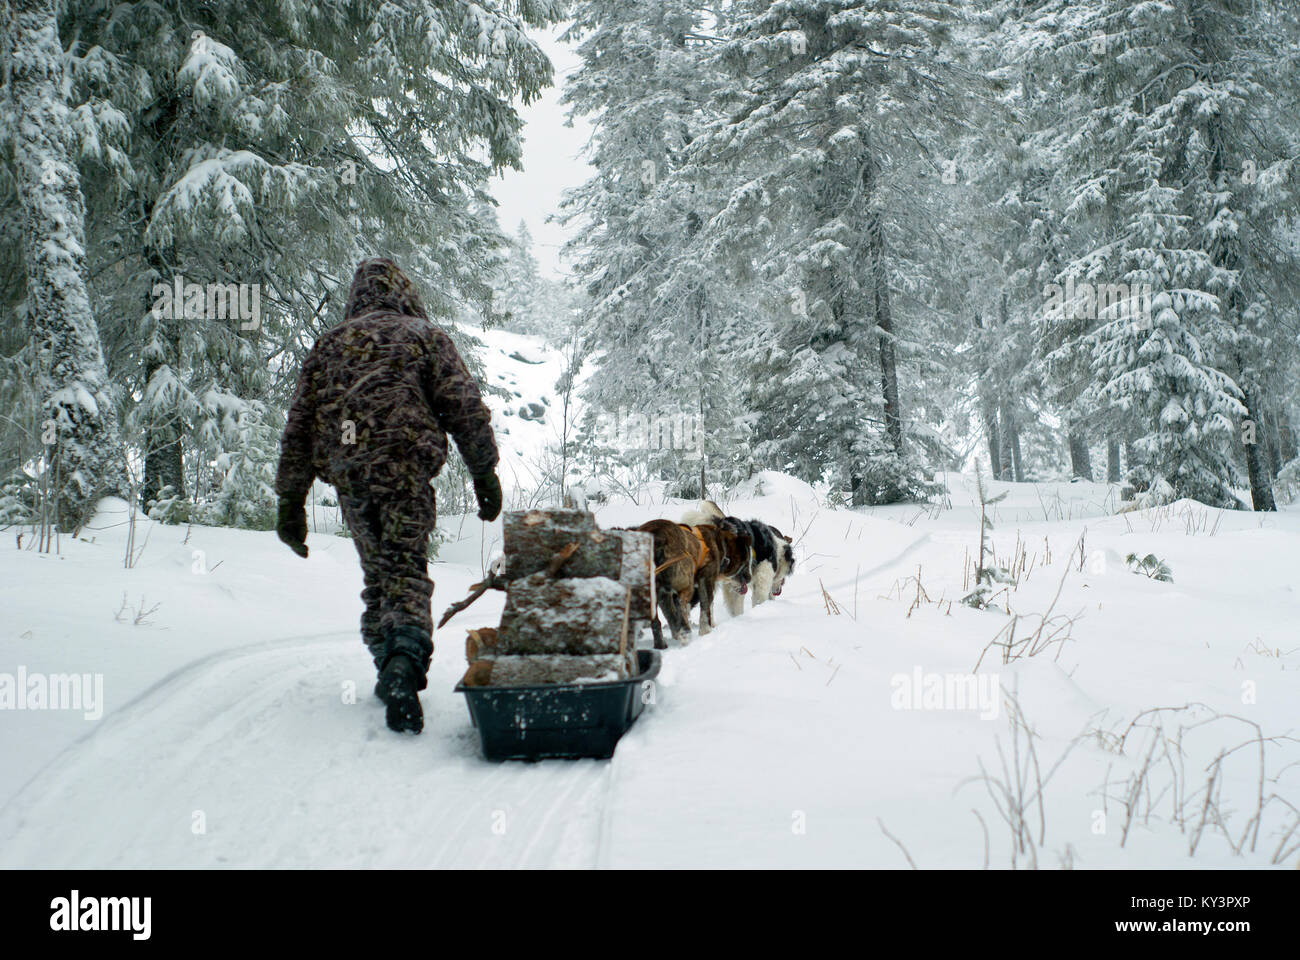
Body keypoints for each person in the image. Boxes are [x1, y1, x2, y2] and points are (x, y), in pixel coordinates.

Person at [274, 258, 502, 733]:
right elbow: (464, 406)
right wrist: (483, 472)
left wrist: (291, 501)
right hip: (405, 469)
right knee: (405, 567)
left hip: (352, 475)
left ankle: (387, 662)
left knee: (378, 571)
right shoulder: (424, 336)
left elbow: (298, 428)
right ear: (404, 292)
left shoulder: (328, 346)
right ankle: (404, 659)